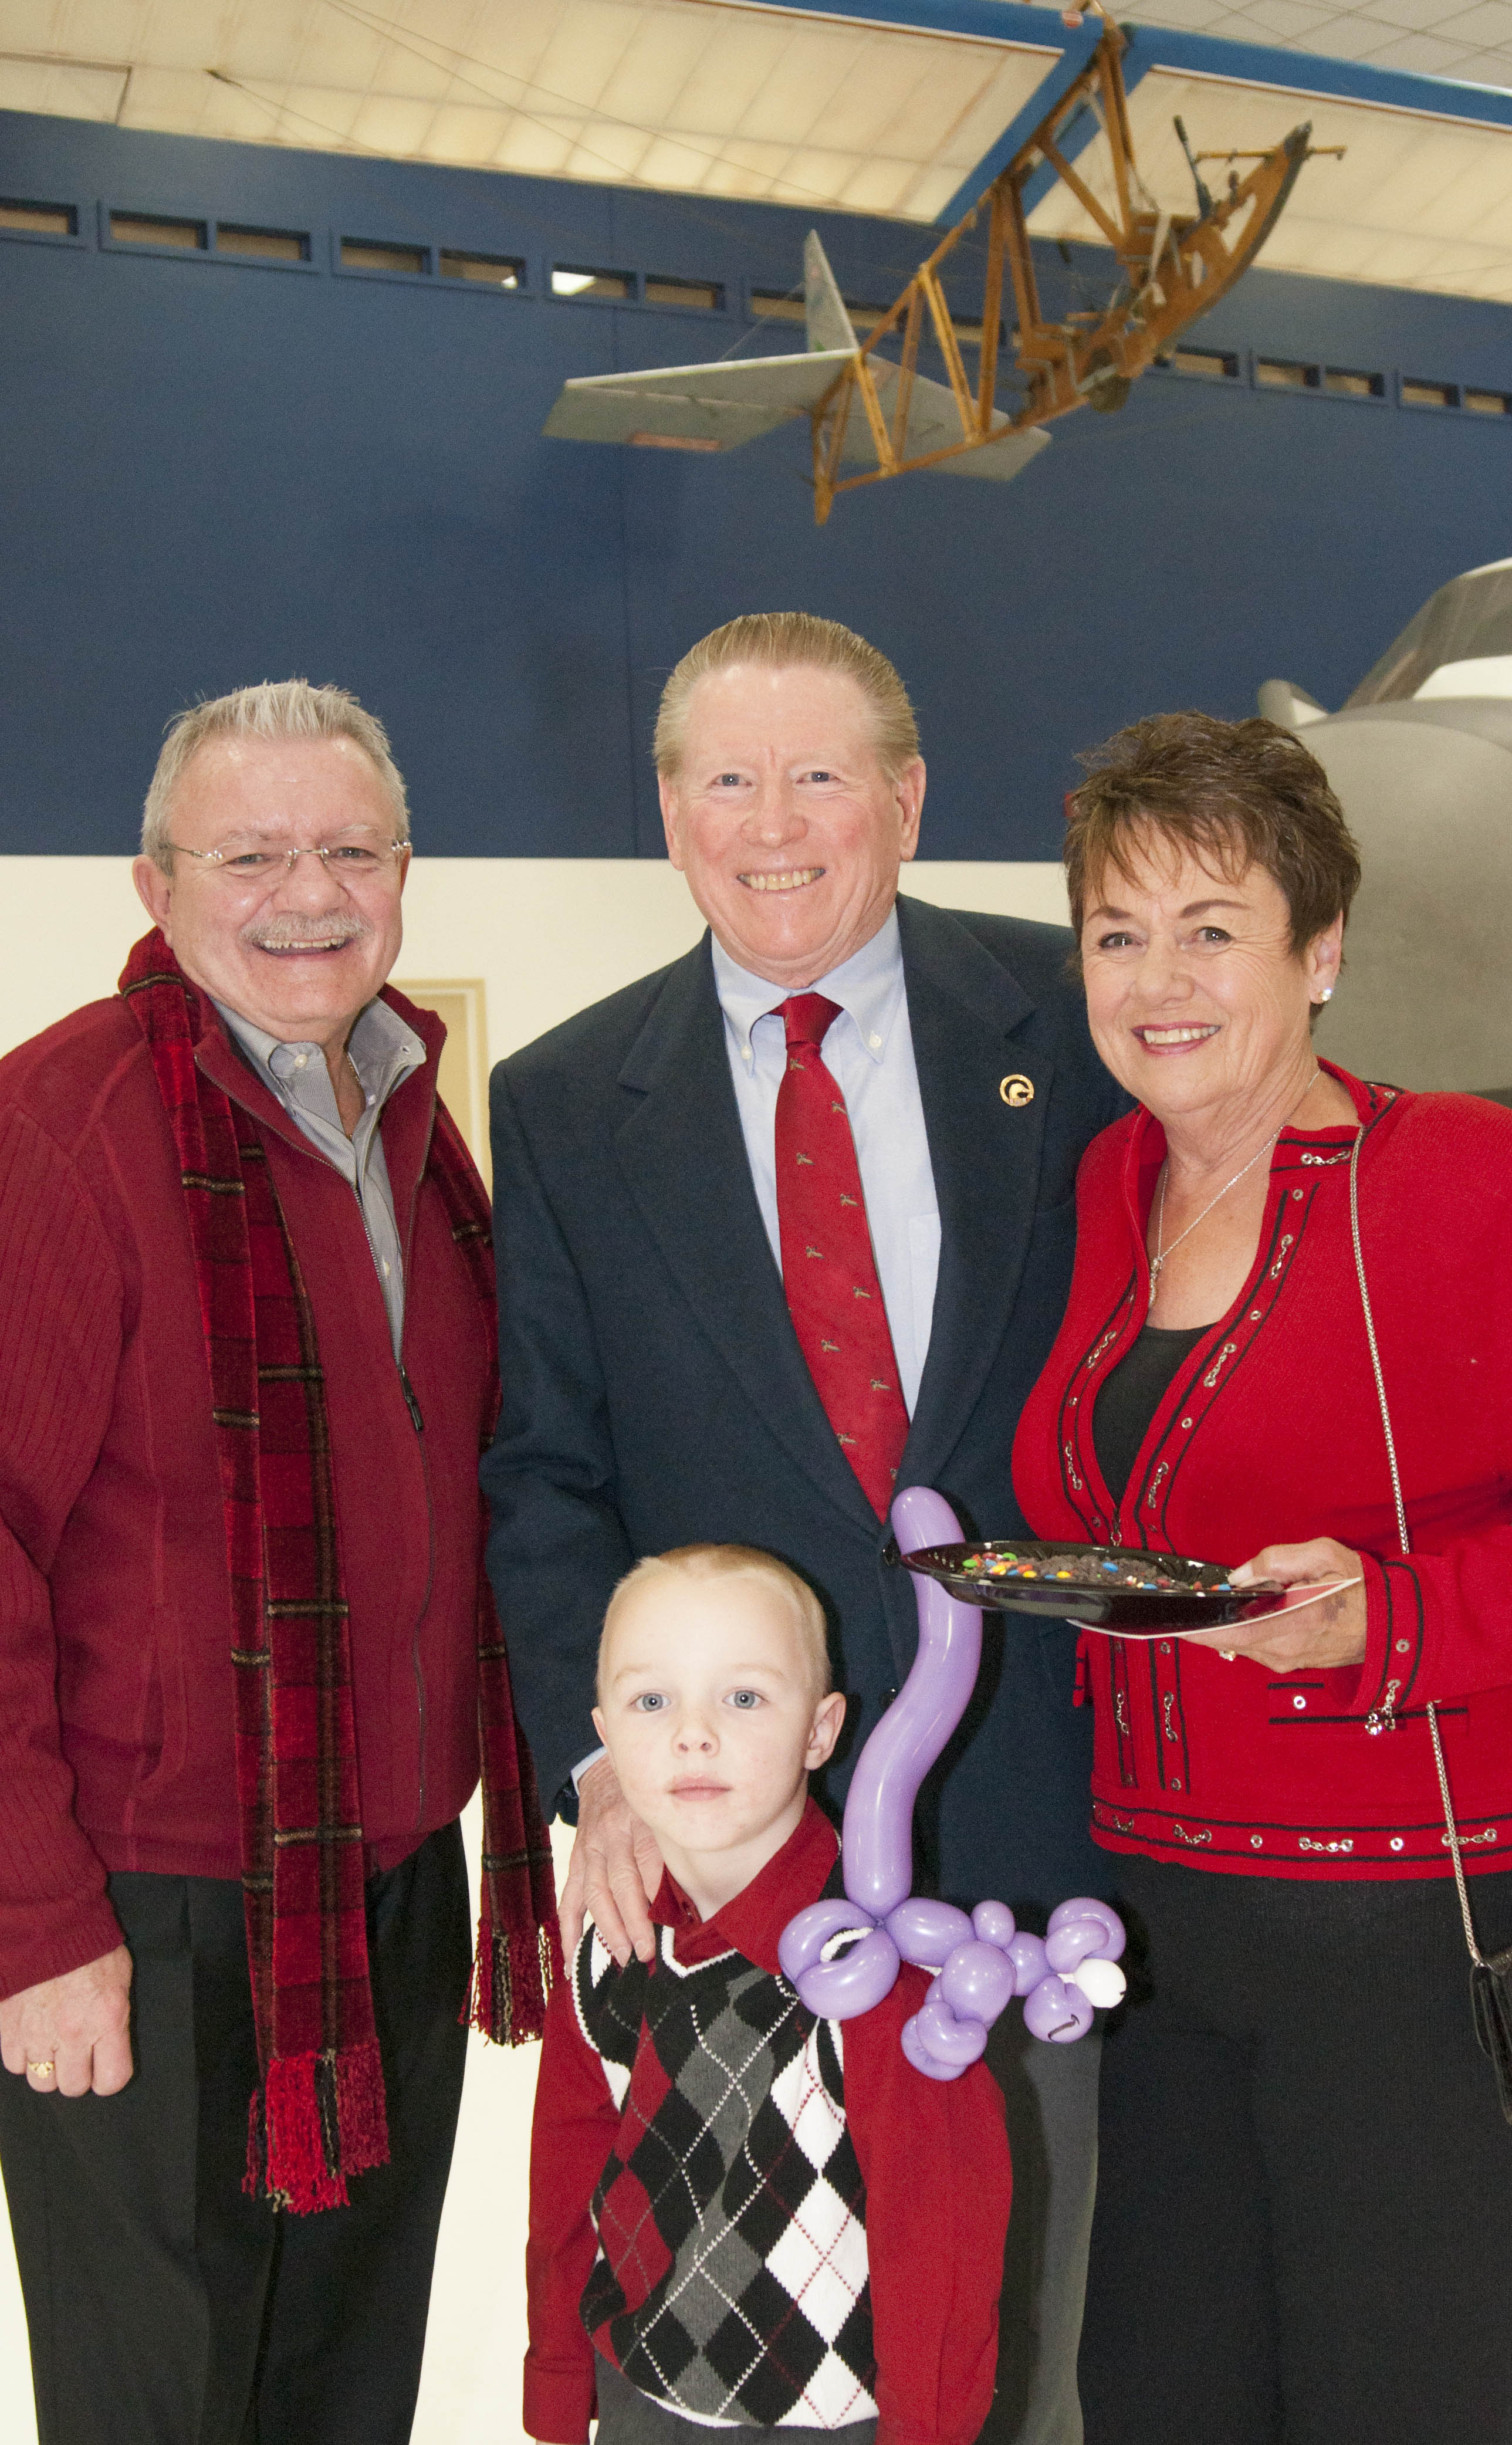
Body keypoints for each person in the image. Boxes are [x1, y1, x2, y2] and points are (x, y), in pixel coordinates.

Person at [485, 612, 1129, 2445]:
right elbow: (545, 1472)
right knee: (750, 2364)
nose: (777, 823)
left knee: (1023, 2349)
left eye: (824, 774)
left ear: (909, 802)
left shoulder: (1069, 1033)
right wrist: (587, 1770)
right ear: (672, 814)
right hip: (724, 1874)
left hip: (1032, 1845)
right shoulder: (563, 1104)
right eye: (728, 779)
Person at [1010, 708, 1512, 2445]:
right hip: (1162, 1919)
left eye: (1213, 928)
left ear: (1321, 953)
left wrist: (1396, 1618)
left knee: (1396, 2407)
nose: (1159, 976)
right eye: (1117, 931)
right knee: (1160, 2398)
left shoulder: (1463, 1181)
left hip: (1420, 1930)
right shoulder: (1108, 1182)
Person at [0, 680, 554, 2445]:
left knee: (342, 2386)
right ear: (155, 882)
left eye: (348, 849)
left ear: (405, 870)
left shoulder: (410, 1114)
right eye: (250, 853)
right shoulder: (60, 1133)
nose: (307, 892)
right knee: (162, 2407)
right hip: (148, 1920)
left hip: (386, 1883)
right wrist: (34, 1929)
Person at [524, 1544, 1010, 2445]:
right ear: (603, 1728)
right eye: (651, 1701)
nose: (693, 1734)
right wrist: (557, 2383)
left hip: (829, 2423)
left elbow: (940, 2243)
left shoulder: (877, 1980)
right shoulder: (611, 1942)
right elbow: (564, 2171)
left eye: (742, 1698)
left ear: (822, 1731)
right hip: (640, 2392)